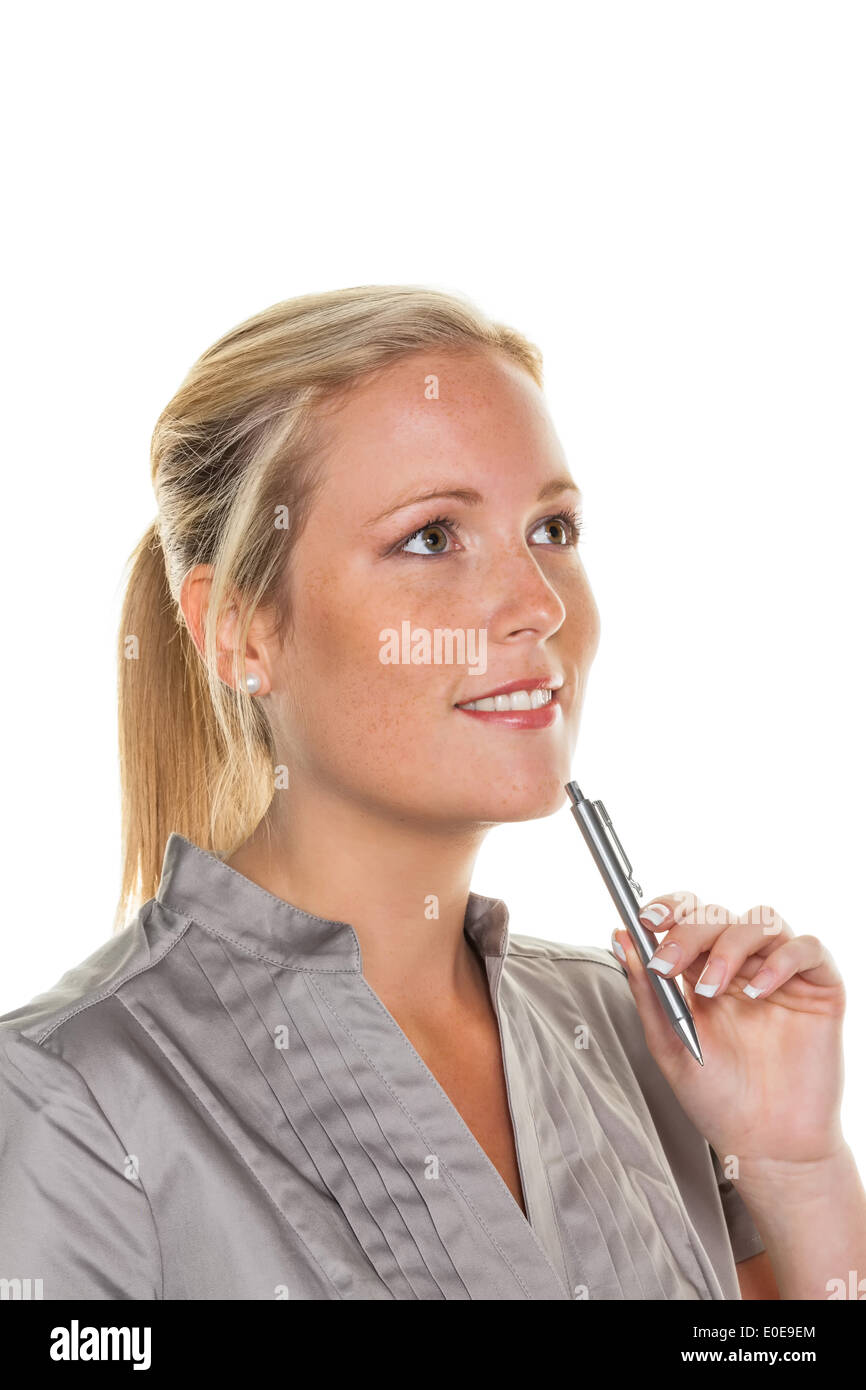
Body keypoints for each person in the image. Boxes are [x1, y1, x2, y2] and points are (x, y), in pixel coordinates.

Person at [0, 285, 860, 1300]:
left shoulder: (643, 1042)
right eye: (431, 538)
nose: (538, 607)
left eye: (550, 528)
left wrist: (792, 1161)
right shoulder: (69, 1100)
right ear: (238, 629)